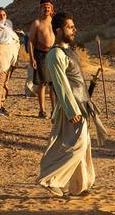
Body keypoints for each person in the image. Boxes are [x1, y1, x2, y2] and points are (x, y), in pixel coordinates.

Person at [38, 12, 96, 196]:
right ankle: (50, 179)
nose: (74, 30)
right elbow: (61, 84)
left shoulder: (68, 51)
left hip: (80, 105)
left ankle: (79, 186)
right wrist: (72, 111)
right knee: (76, 144)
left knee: (83, 143)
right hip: (71, 108)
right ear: (58, 30)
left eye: (73, 27)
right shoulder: (55, 54)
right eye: (70, 27)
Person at [27, 0, 56, 119]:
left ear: (51, 9)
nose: (46, 9)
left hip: (53, 53)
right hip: (40, 54)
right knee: (42, 83)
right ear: (40, 9)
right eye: (44, 7)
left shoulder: (55, 22)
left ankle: (54, 110)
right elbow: (30, 42)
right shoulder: (37, 23)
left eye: (48, 8)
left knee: (54, 84)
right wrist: (32, 58)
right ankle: (42, 110)